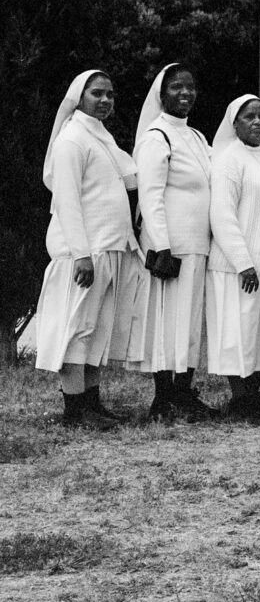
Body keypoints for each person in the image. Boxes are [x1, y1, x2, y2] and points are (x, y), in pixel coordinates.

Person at [35, 70, 140, 429]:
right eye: (97, 94)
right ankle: (75, 410)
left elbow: (132, 176)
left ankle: (93, 404)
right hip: (86, 252)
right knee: (77, 330)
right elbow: (66, 201)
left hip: (109, 247)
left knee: (97, 330)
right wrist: (81, 253)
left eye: (110, 94)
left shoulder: (102, 137)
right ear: (79, 97)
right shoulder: (72, 140)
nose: (106, 100)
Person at [133, 63, 215, 422]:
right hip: (170, 247)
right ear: (162, 94)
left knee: (190, 322)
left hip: (199, 244)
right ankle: (163, 397)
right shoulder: (156, 136)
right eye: (177, 87)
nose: (185, 93)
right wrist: (162, 245)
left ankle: (185, 391)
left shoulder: (196, 137)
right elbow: (150, 197)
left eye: (191, 86)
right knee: (168, 321)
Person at [207, 95, 260, 418]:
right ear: (234, 123)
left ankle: (253, 392)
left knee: (259, 328)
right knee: (237, 329)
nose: (257, 122)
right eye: (249, 117)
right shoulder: (229, 159)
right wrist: (243, 262)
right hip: (237, 262)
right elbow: (222, 215)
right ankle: (239, 395)